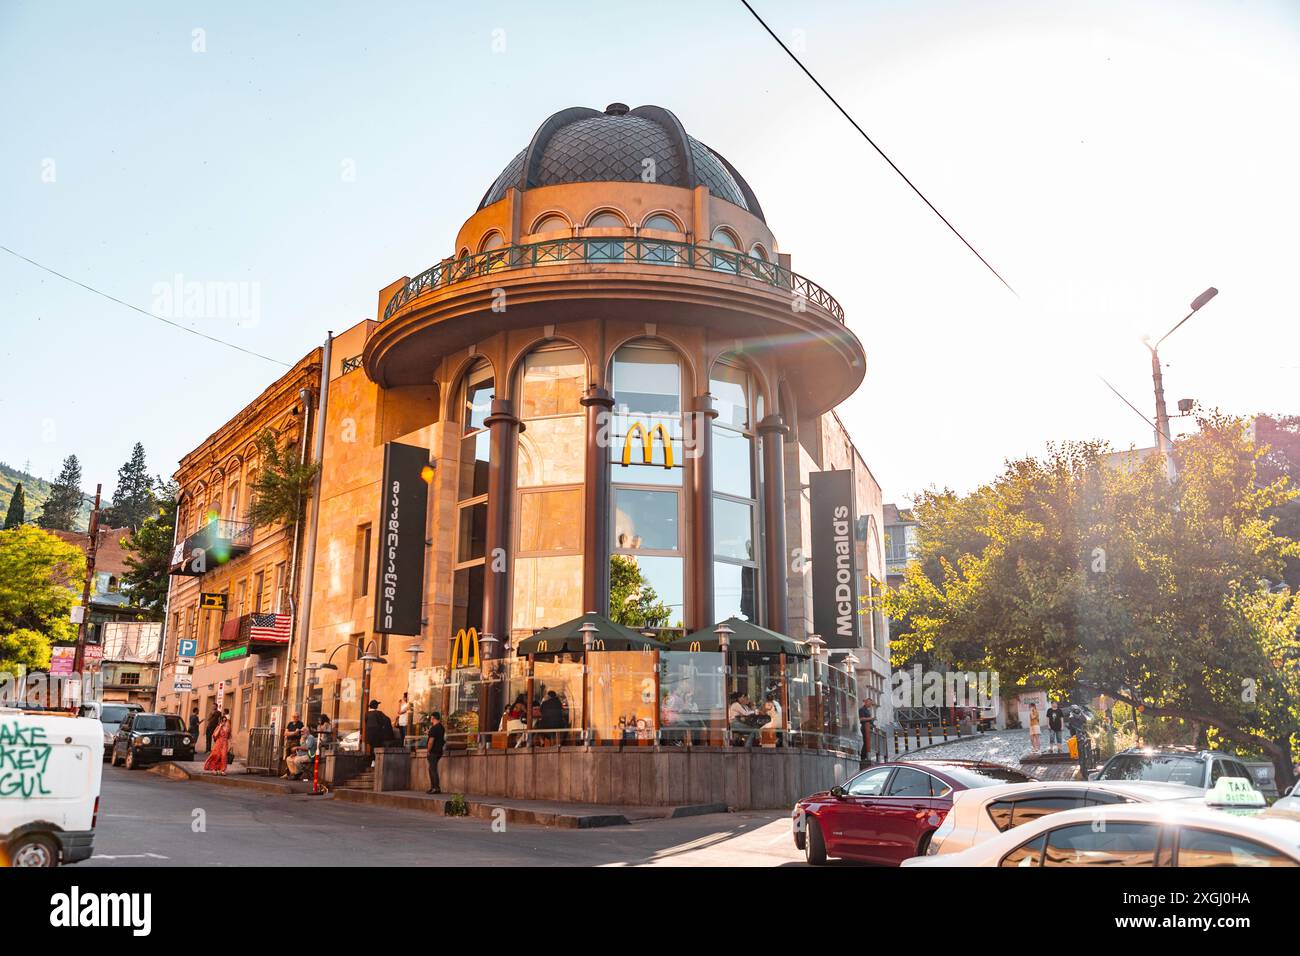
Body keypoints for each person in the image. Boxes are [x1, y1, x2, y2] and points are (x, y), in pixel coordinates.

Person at [425, 711, 446, 794]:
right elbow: (438, 737)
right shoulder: (441, 727)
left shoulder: (434, 728)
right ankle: (433, 787)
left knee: (432, 769)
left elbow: (431, 741)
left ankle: (435, 787)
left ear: (433, 718)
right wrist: (429, 733)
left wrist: (428, 751)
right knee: (432, 769)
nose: (430, 719)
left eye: (431, 717)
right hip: (439, 750)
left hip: (433, 751)